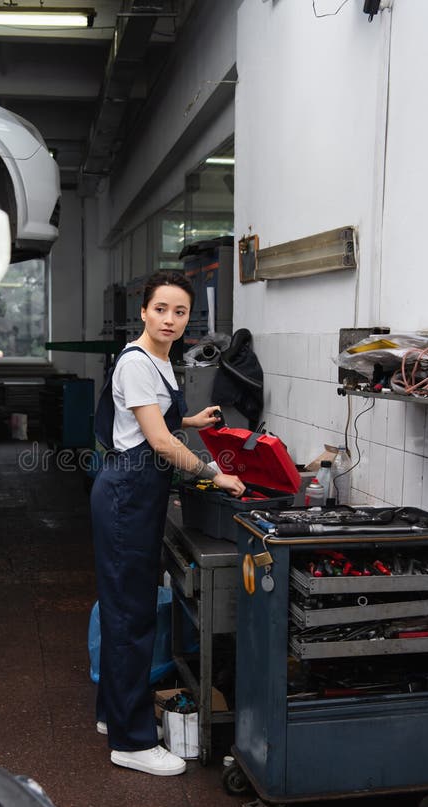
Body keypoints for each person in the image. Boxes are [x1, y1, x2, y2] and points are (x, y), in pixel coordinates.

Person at [91, 270, 245, 777]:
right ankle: (131, 742)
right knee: (130, 614)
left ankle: (113, 716)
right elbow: (156, 443)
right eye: (161, 309)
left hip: (139, 492)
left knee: (126, 608)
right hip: (128, 494)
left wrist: (191, 422)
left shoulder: (161, 360)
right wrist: (212, 473)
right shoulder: (137, 362)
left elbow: (148, 419)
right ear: (143, 311)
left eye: (180, 312)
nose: (170, 320)